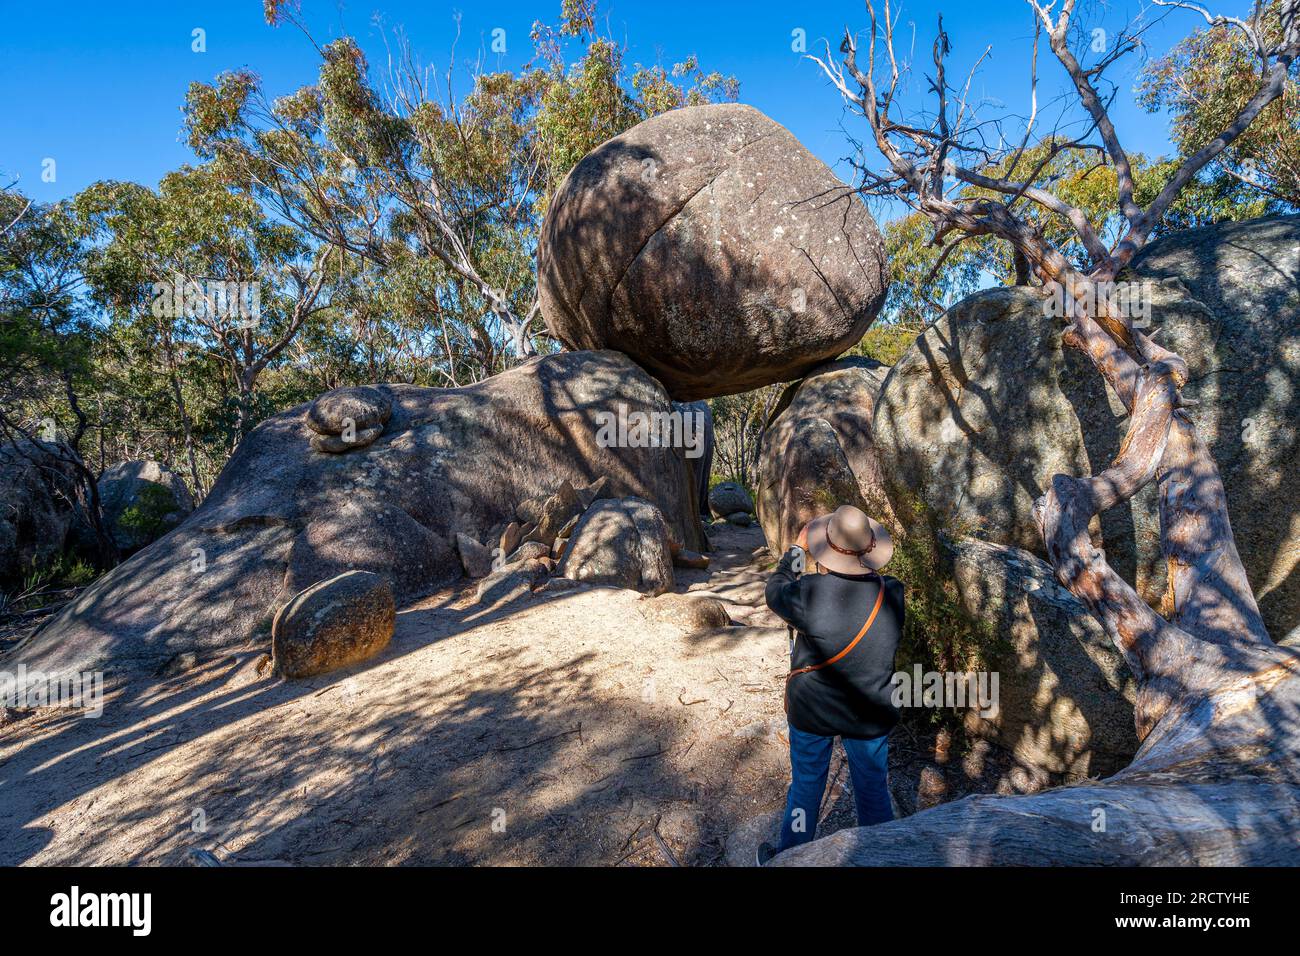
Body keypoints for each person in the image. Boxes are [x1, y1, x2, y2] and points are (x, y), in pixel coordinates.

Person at [757, 504, 905, 864]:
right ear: (869, 550)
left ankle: (790, 856)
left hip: (813, 711)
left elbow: (776, 589)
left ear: (827, 548)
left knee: (806, 788)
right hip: (869, 713)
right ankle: (880, 855)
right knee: (872, 791)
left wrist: (796, 550)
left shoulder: (809, 593)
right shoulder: (894, 594)